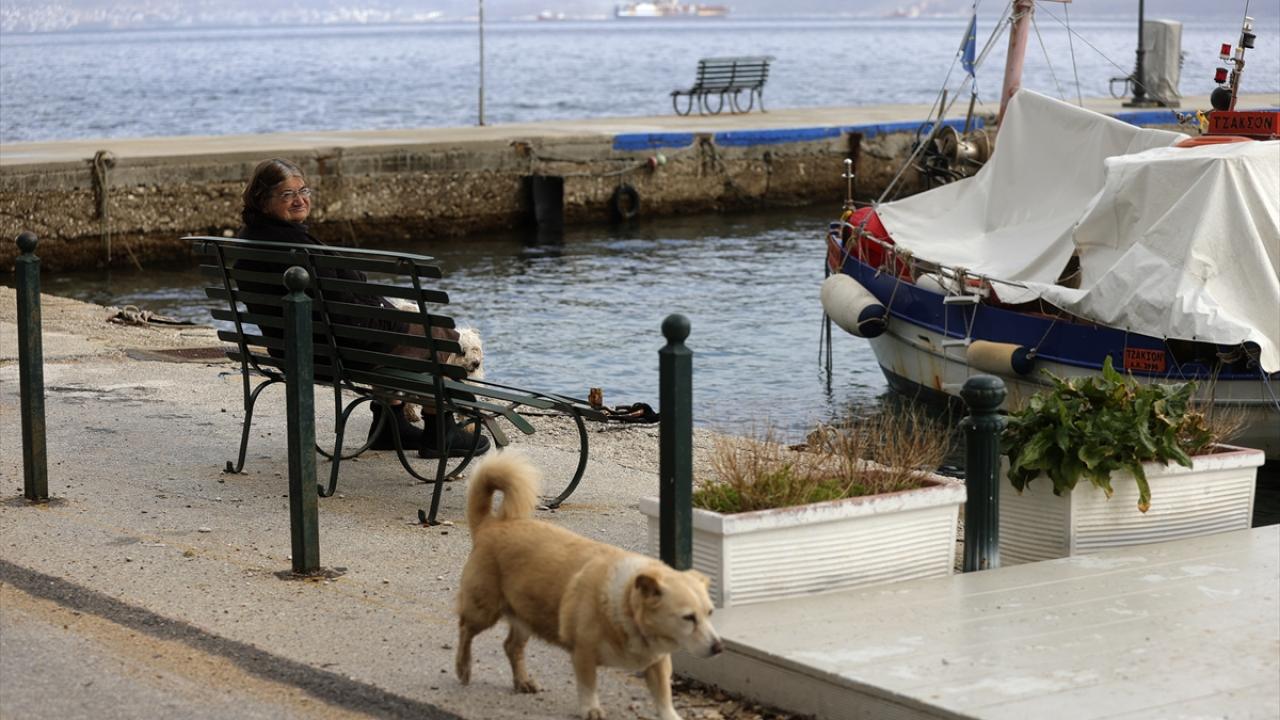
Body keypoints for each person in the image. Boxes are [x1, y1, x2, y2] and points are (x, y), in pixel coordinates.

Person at [235, 157, 489, 459]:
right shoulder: (297, 248)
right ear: (263, 200)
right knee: (441, 336)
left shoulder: (249, 241)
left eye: (303, 191)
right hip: (334, 353)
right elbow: (345, 315)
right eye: (287, 194)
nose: (300, 200)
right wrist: (386, 315)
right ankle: (440, 431)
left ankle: (389, 426)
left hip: (290, 350)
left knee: (408, 328)